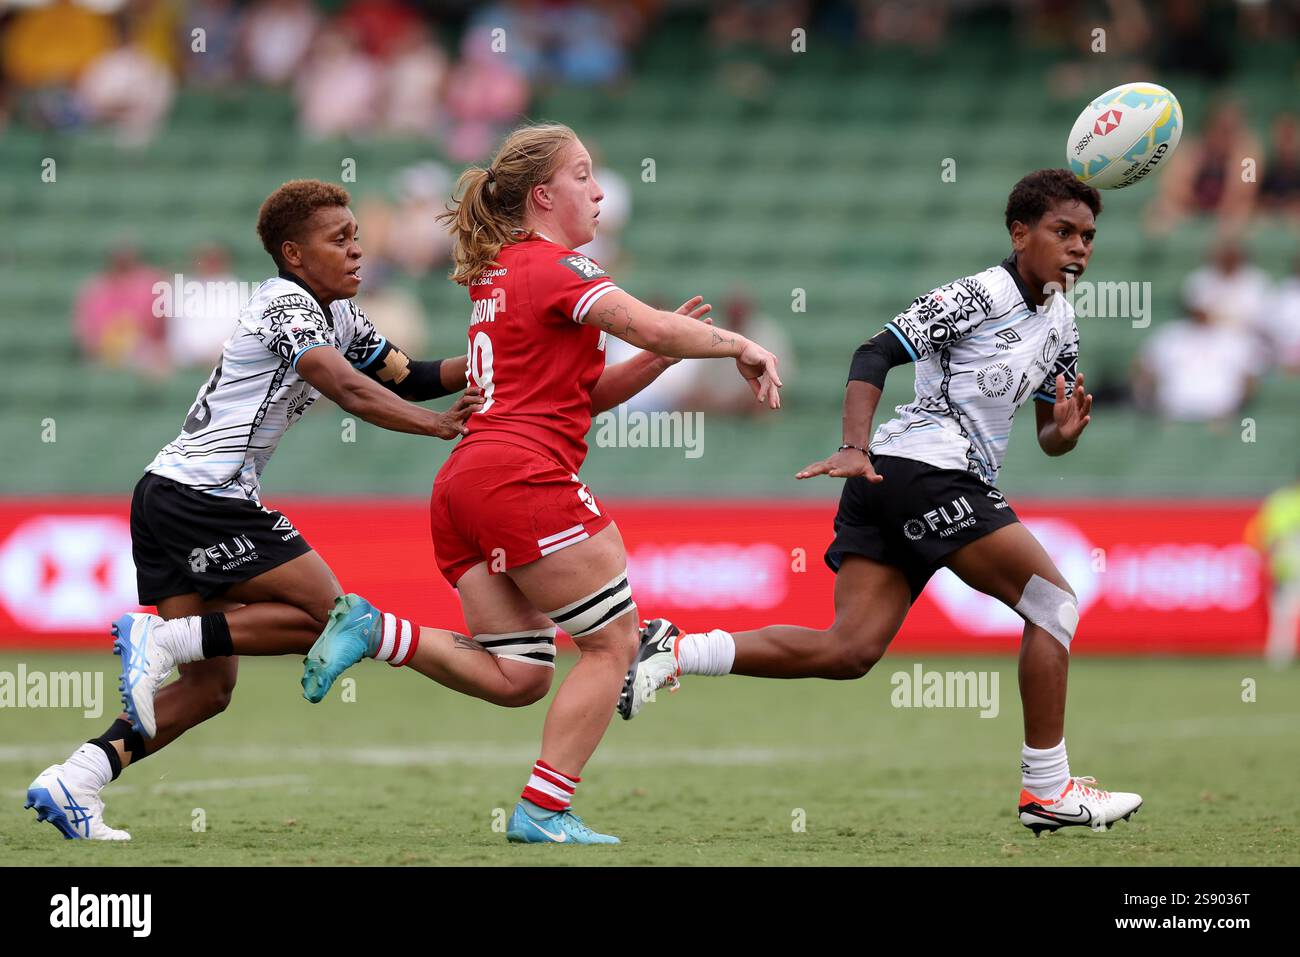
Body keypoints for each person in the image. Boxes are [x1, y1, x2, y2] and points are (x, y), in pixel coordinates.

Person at [620, 169, 1143, 837]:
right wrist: (853, 444)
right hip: (921, 470)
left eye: (1089, 237)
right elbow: (875, 351)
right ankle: (1047, 788)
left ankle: (674, 649)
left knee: (850, 650)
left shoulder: (1063, 322)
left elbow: (1048, 430)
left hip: (904, 482)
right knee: (1054, 603)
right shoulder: (978, 294)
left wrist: (1061, 434)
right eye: (1063, 232)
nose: (1078, 249)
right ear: (1020, 232)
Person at [300, 122, 784, 845]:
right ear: (543, 195)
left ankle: (377, 630)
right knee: (615, 645)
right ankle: (543, 811)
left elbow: (576, 397)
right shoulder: (559, 269)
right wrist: (737, 342)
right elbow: (645, 323)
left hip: (465, 483)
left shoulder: (501, 277)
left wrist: (658, 358)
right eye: (584, 175)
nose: (596, 191)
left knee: (520, 673)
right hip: (523, 478)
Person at [24, 179, 483, 841]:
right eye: (340, 239)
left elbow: (408, 372)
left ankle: (77, 778)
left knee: (210, 688)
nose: (358, 251)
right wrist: (434, 427)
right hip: (203, 498)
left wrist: (493, 362)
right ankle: (161, 640)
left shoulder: (341, 316)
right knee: (337, 617)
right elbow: (341, 384)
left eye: (358, 236)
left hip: (169, 494)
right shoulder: (283, 303)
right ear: (294, 254)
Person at [1247, 476, 1300, 668]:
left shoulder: (1279, 500)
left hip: (1285, 564)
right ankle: (1279, 657)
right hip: (1286, 566)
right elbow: (1267, 532)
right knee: (1283, 614)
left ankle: (1279, 658)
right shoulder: (1282, 501)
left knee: (1283, 614)